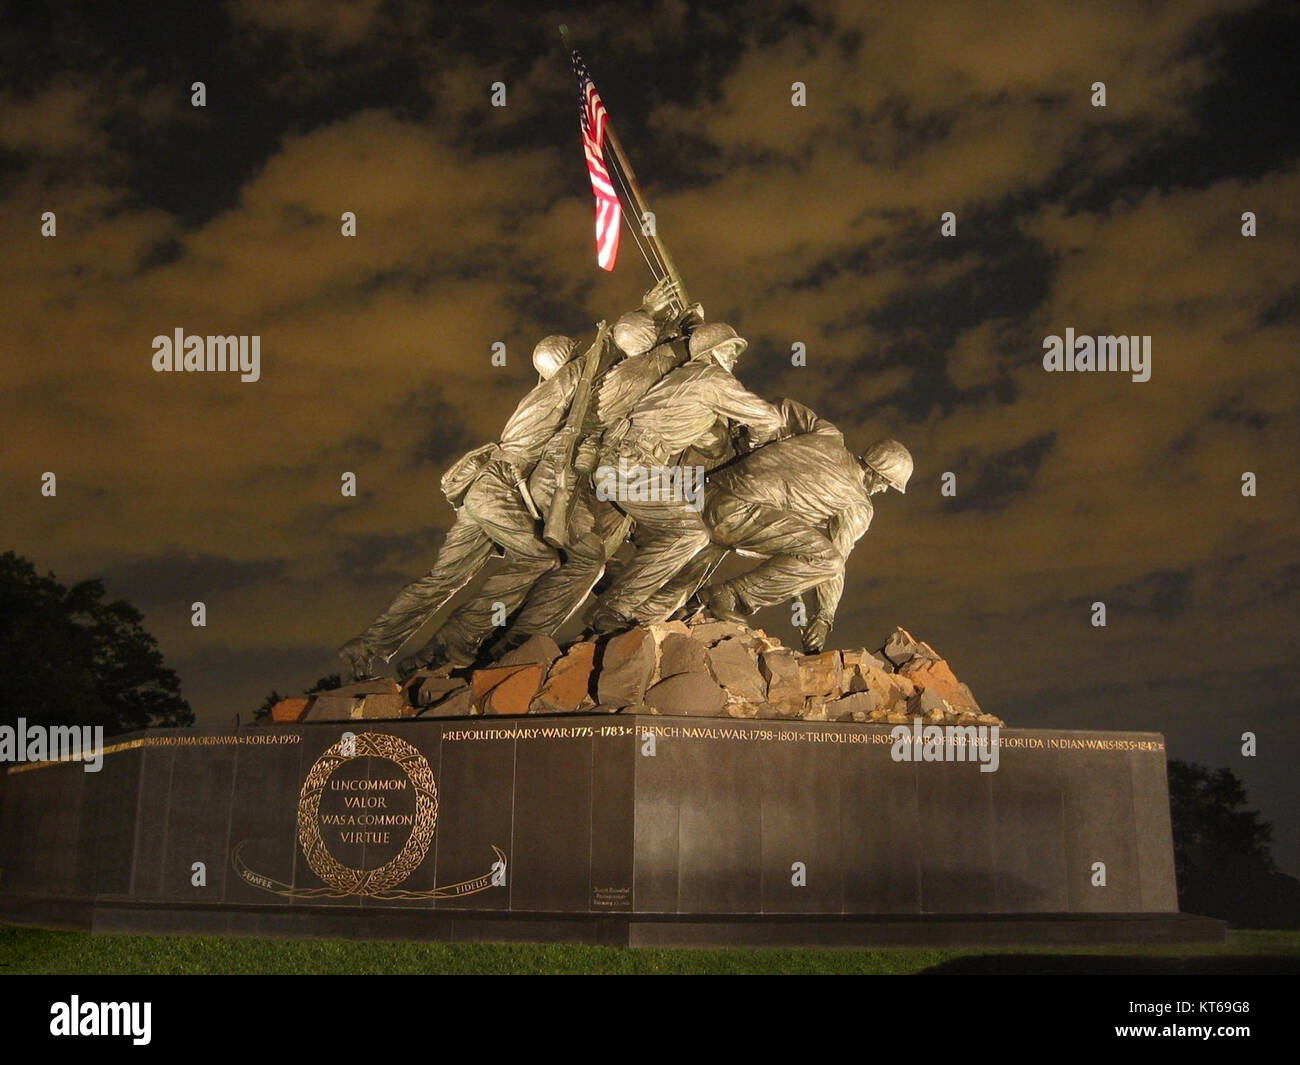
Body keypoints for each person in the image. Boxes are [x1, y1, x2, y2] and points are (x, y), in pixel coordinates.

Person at [337, 334, 588, 680]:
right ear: (565, 360)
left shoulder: (538, 393)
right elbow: (588, 369)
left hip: (482, 491)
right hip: (496, 489)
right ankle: (458, 639)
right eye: (573, 354)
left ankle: (368, 645)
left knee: (442, 580)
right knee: (540, 558)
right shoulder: (558, 386)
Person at [641, 401, 913, 653]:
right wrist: (824, 617)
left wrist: (752, 438)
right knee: (824, 559)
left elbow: (783, 407)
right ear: (878, 476)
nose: (883, 490)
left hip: (705, 492)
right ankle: (730, 596)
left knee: (679, 589)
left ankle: (639, 625)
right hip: (734, 515)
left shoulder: (828, 434)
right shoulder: (858, 504)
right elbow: (835, 563)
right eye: (887, 485)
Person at [587, 322, 786, 632]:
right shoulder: (712, 378)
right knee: (688, 533)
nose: (734, 357)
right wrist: (754, 443)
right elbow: (770, 418)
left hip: (627, 462)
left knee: (664, 535)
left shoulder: (683, 376)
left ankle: (631, 608)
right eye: (729, 350)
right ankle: (612, 609)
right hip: (631, 464)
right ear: (711, 352)